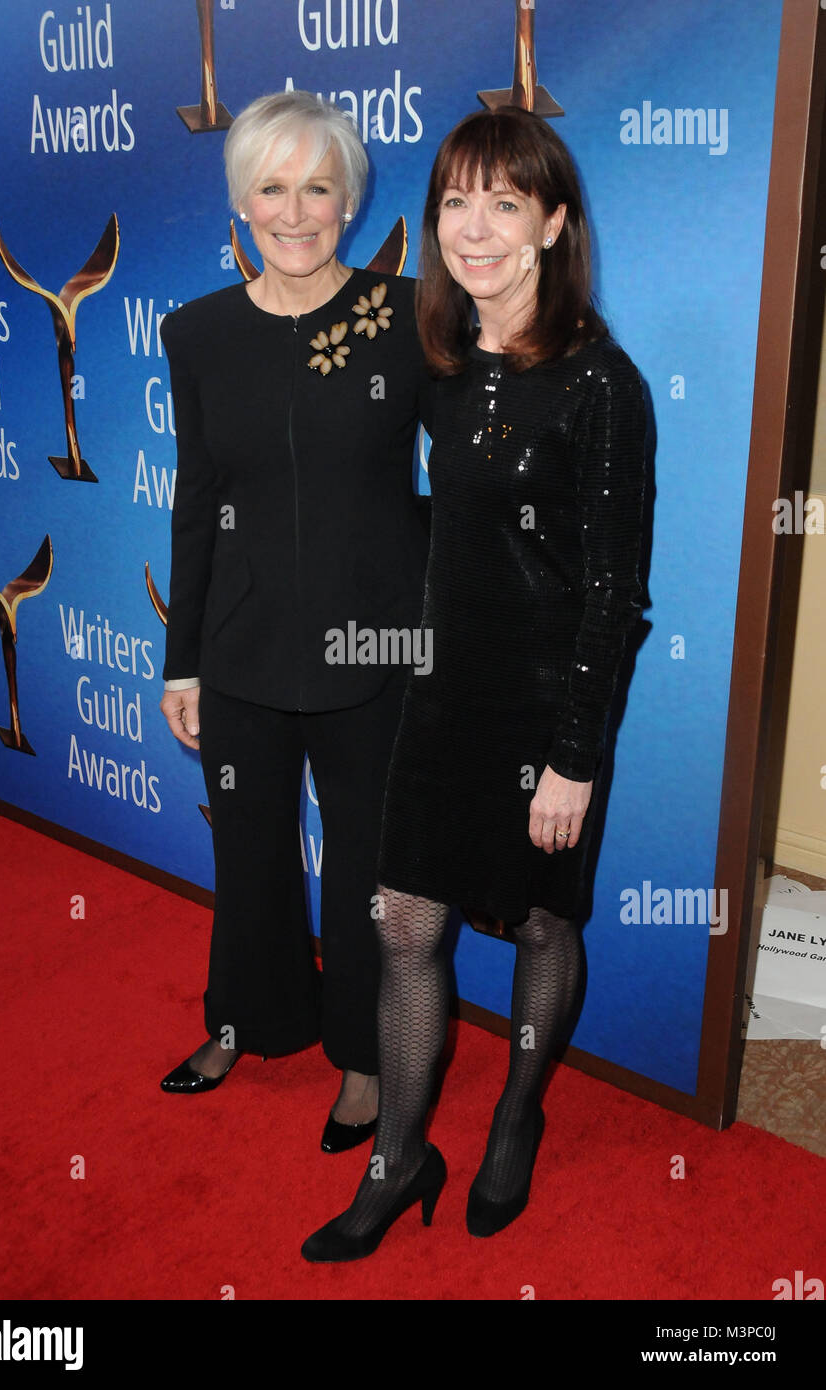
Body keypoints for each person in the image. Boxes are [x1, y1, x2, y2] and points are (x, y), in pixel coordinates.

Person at [302, 106, 647, 1260]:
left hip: (547, 714)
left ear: (553, 222)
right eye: (457, 200)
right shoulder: (439, 361)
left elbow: (615, 593)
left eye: (507, 202)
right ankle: (402, 1158)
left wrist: (575, 760)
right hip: (442, 700)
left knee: (545, 924)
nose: (476, 226)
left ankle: (516, 1112)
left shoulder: (604, 385)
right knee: (407, 929)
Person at [158, 90, 432, 1154]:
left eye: (319, 186)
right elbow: (195, 502)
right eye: (273, 186)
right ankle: (244, 1021)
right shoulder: (199, 333)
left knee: (367, 867)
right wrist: (182, 662)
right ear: (240, 202)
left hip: (375, 654)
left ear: (349, 200)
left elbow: (454, 484)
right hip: (241, 650)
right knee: (252, 854)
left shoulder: (407, 316)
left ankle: (364, 1060)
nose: (297, 209)